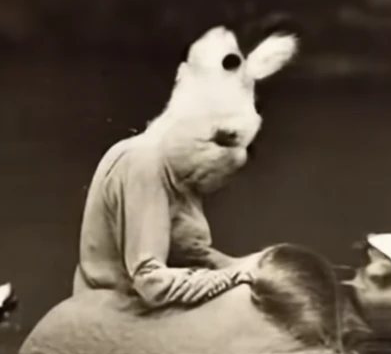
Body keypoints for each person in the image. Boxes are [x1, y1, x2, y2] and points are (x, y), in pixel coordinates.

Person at [72, 22, 299, 310]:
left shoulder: (181, 172)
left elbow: (193, 254)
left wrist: (260, 265)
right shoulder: (145, 162)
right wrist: (233, 278)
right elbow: (150, 281)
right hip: (115, 306)